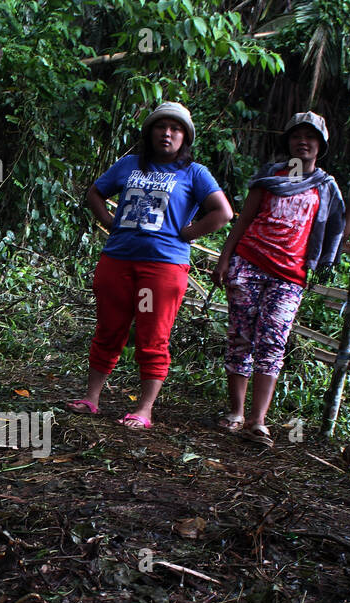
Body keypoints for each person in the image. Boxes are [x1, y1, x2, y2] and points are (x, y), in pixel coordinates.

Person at [69, 102, 233, 429]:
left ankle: (144, 409)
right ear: (150, 132)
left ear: (185, 136)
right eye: (161, 127)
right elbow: (95, 193)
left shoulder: (194, 173)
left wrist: (189, 233)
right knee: (108, 329)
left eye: (175, 128)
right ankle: (92, 398)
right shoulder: (129, 165)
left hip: (161, 268)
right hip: (117, 260)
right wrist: (109, 221)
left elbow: (223, 212)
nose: (167, 133)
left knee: (152, 336)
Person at [212, 111, 345, 447]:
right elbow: (244, 220)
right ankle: (236, 413)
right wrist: (225, 258)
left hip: (289, 275)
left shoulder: (325, 187)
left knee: (272, 342)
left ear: (321, 145)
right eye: (297, 135)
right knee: (241, 337)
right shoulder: (270, 178)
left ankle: (258, 421)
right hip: (249, 263)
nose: (303, 141)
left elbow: (337, 226)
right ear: (287, 141)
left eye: (311, 137)